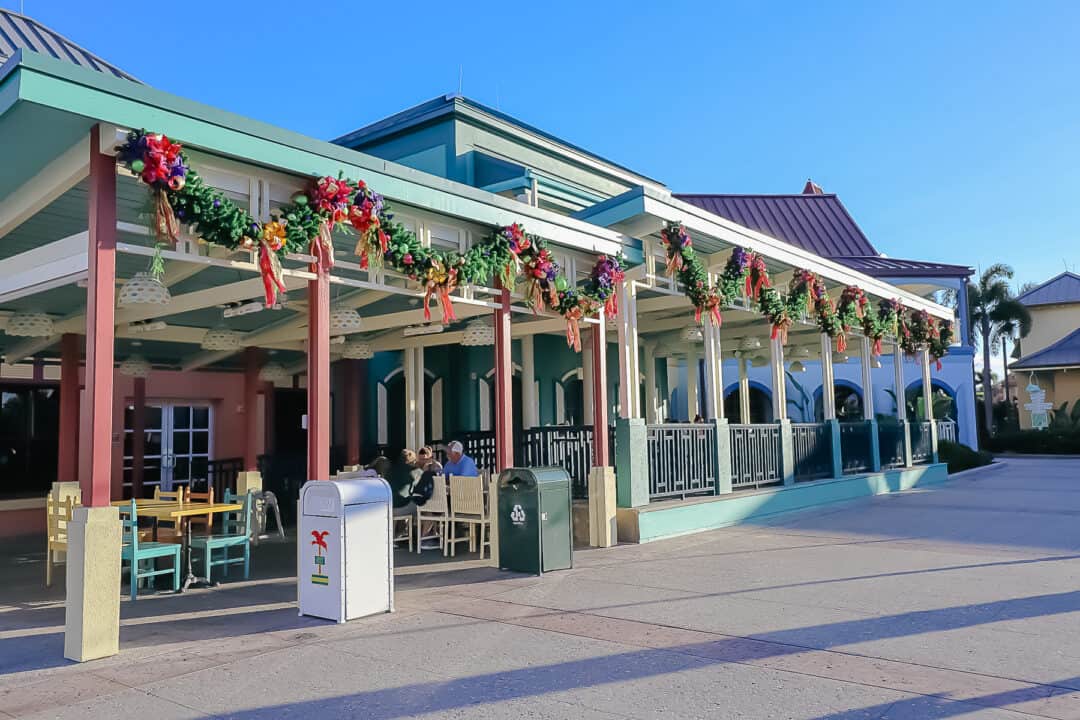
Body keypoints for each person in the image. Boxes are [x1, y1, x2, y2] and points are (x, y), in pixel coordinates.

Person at [388, 449, 423, 517]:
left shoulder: (391, 469)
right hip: (402, 508)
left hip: (389, 508)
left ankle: (401, 524)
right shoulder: (416, 471)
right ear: (413, 461)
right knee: (424, 505)